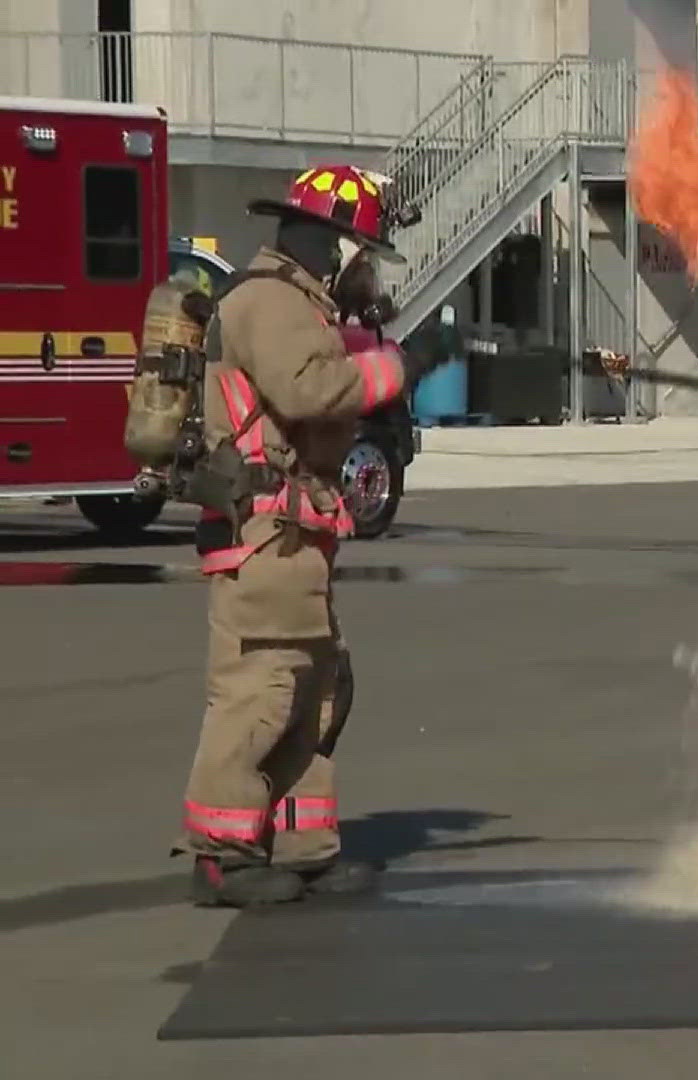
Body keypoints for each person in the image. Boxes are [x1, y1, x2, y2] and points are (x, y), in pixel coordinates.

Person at [173, 165, 437, 907]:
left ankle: (302, 848)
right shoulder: (270, 302)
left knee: (316, 690)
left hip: (293, 539)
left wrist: (384, 351)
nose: (368, 271)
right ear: (335, 247)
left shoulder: (296, 305)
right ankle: (223, 856)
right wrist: (396, 368)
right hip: (265, 536)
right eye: (364, 254)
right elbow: (310, 389)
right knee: (263, 688)